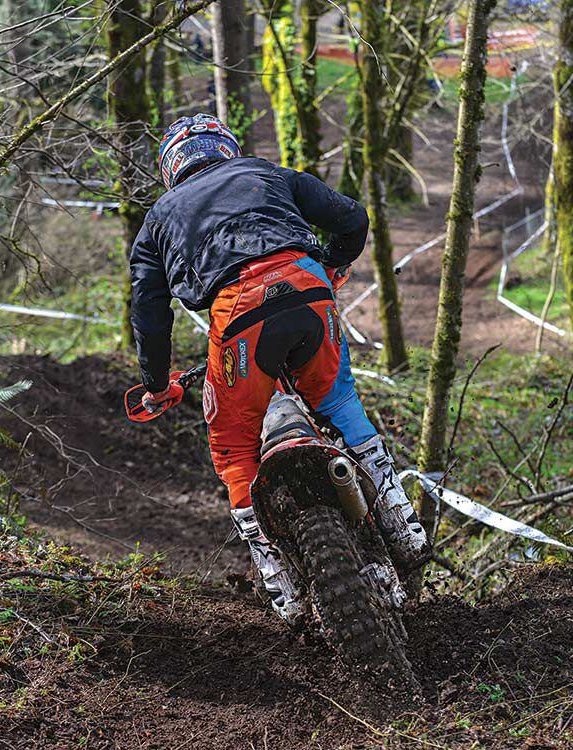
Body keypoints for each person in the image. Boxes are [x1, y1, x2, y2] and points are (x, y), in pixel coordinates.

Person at [129, 113, 430, 624]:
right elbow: (353, 218)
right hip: (309, 288)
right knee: (337, 401)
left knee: (233, 443)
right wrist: (334, 264)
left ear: (172, 166)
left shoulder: (158, 217)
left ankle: (280, 581)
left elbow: (148, 311)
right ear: (224, 148)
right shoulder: (266, 173)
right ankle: (403, 519)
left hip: (240, 313)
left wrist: (158, 384)